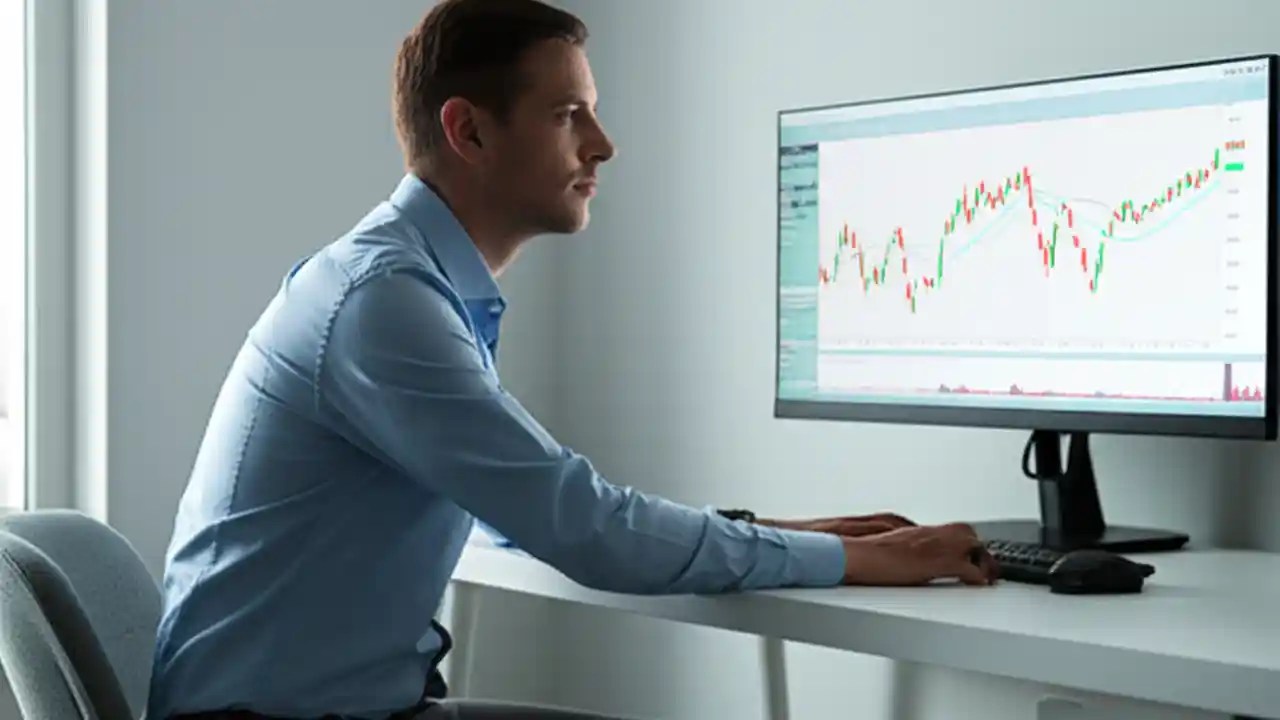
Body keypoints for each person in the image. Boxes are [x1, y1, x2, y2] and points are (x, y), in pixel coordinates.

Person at [147, 1, 999, 718]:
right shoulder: (386, 304)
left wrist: (773, 535)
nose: (603, 145)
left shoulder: (410, 283)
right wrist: (852, 560)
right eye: (568, 116)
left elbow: (532, 510)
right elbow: (585, 529)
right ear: (468, 131)